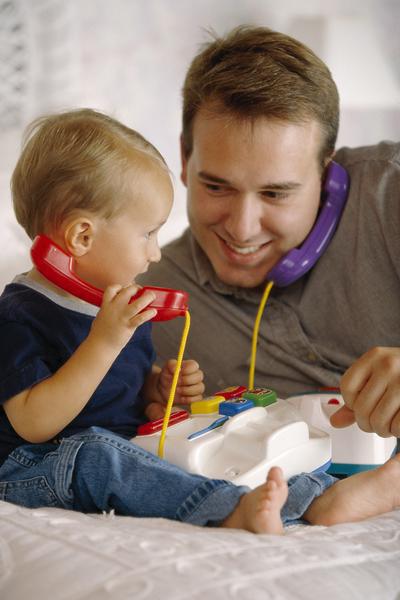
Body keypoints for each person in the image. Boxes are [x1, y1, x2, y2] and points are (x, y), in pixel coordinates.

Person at [0, 108, 399, 536]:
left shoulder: (112, 306)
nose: (155, 253)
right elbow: (33, 422)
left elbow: (119, 383)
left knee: (207, 443)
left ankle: (315, 495)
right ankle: (232, 512)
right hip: (37, 464)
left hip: (124, 446)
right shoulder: (21, 313)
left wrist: (157, 384)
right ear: (83, 237)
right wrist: (105, 343)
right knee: (98, 456)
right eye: (147, 234)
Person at [138, 25, 400, 441]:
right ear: (185, 159)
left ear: (325, 172)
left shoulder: (391, 194)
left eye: (276, 193)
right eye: (216, 186)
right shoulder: (149, 303)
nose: (242, 229)